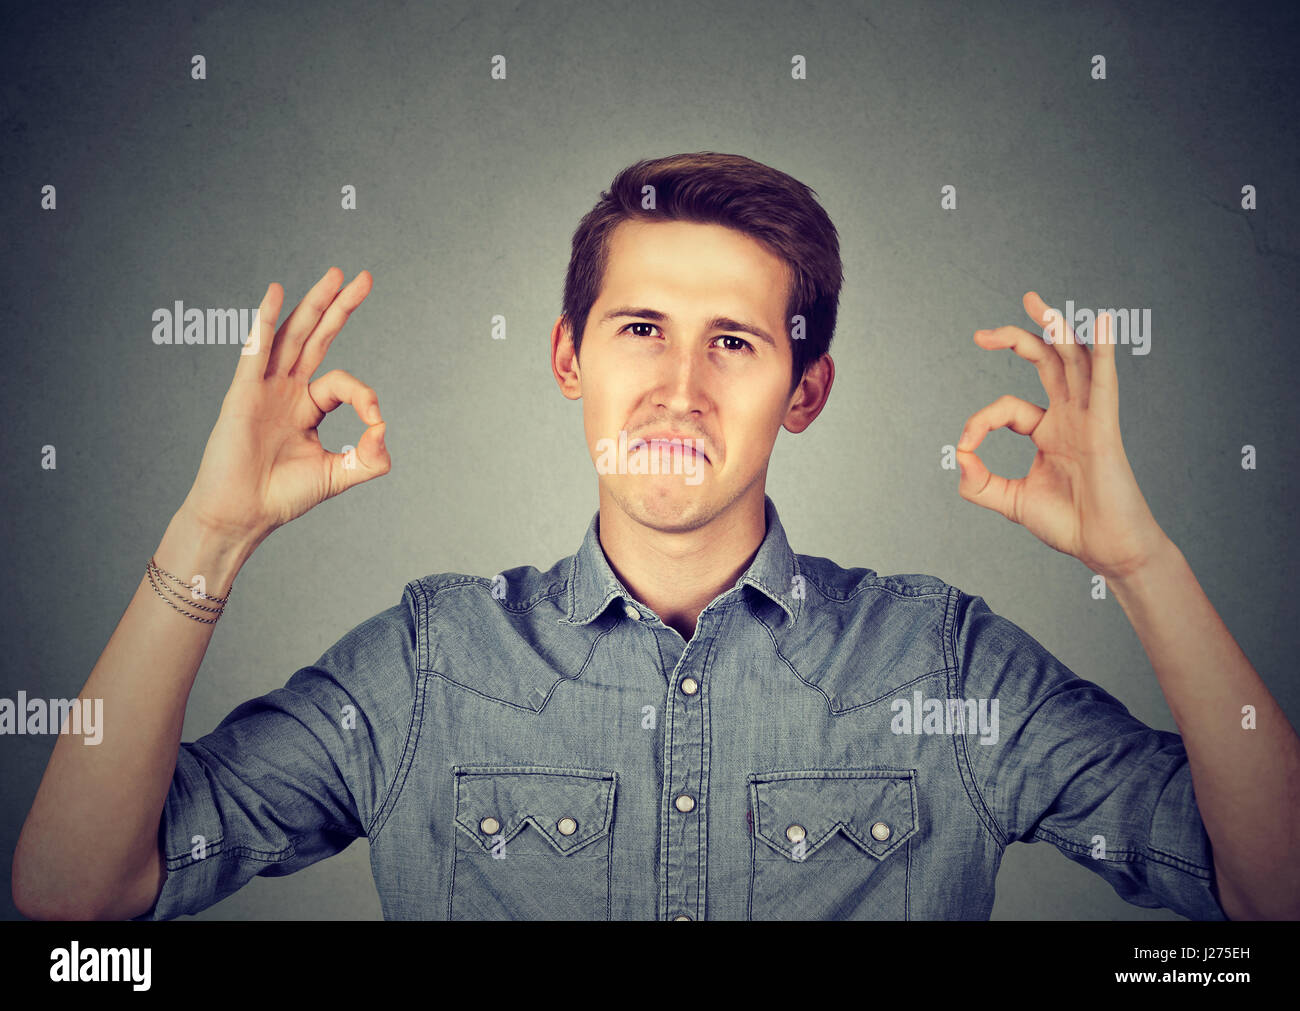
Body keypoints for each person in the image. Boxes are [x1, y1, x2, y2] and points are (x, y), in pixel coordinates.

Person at [13, 152, 1299, 921]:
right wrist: (210, 533)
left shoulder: (940, 671)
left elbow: (1264, 898)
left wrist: (1140, 566)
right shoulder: (425, 668)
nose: (680, 388)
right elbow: (76, 902)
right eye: (639, 329)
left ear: (804, 391)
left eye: (733, 342)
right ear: (568, 357)